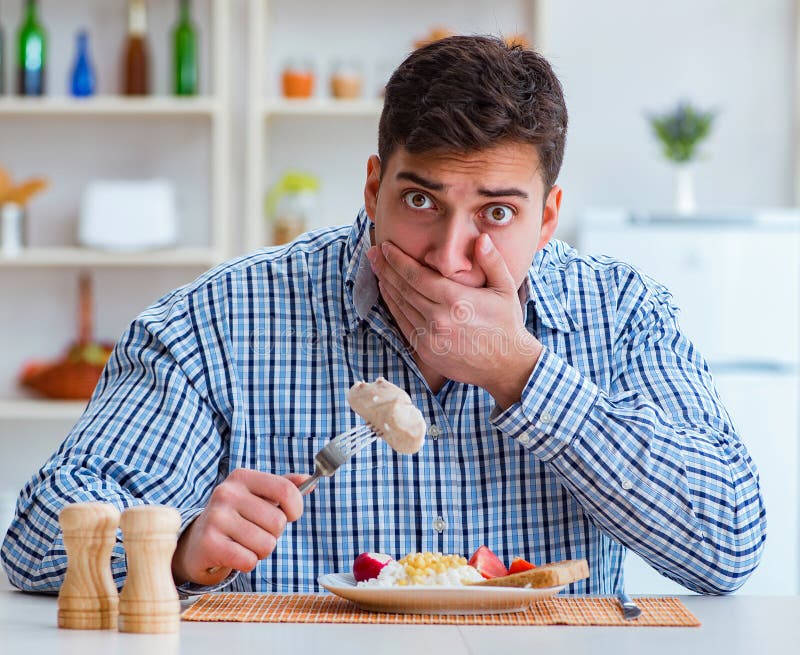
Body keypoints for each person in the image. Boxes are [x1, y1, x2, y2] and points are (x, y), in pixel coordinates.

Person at [2, 36, 765, 596]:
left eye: (497, 212)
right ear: (373, 188)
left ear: (549, 216)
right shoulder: (217, 322)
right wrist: (175, 548)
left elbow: (728, 543)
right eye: (421, 200)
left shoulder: (622, 312)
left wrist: (518, 373)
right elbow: (35, 538)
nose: (450, 254)